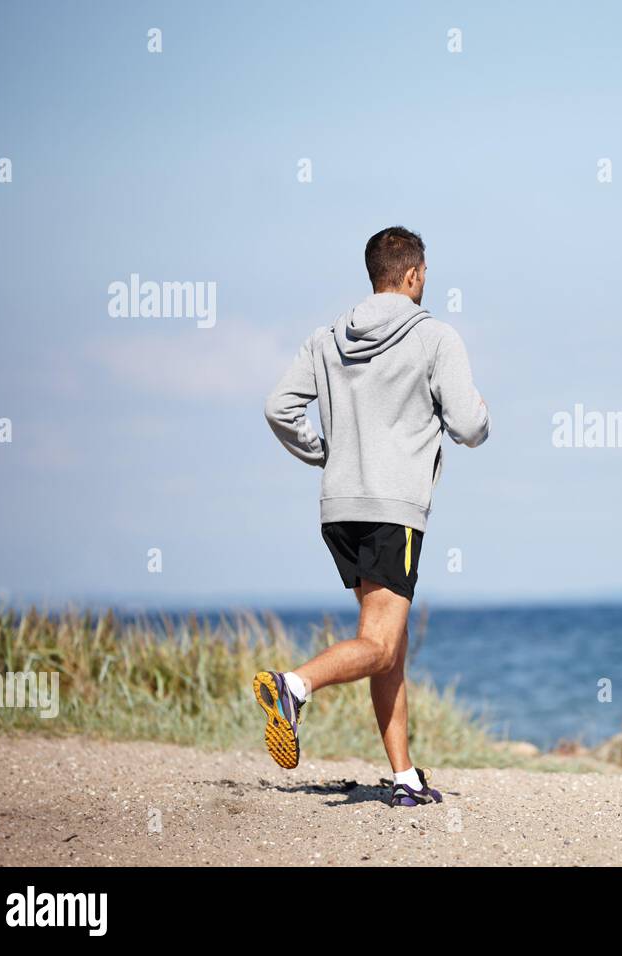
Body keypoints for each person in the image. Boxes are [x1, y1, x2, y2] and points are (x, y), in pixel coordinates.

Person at [256, 226, 488, 806]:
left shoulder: (328, 338)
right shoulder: (435, 336)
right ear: (412, 275)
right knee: (381, 645)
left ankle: (405, 776)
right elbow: (468, 426)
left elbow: (278, 408)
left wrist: (326, 455)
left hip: (339, 509)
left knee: (388, 639)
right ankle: (294, 685)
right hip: (392, 510)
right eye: (425, 274)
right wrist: (481, 416)